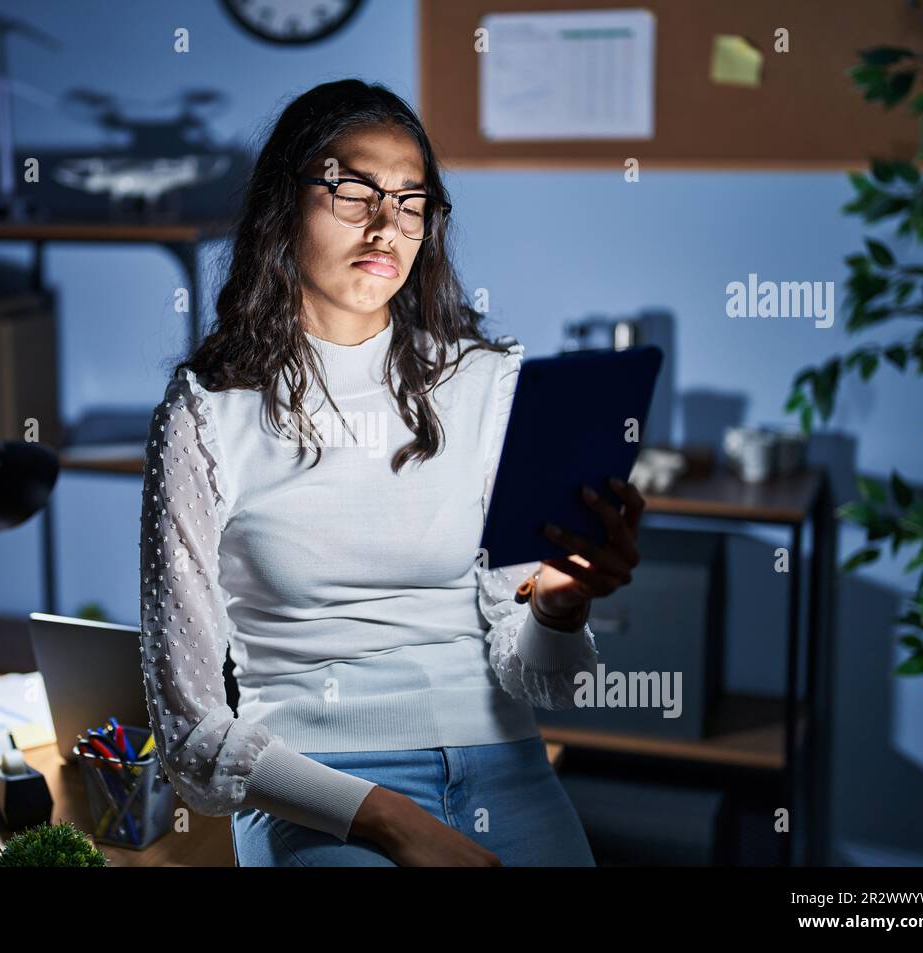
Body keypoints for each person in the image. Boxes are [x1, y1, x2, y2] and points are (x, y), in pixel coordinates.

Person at [138, 79, 645, 866]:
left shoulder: (484, 382)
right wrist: (385, 818)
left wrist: (557, 605)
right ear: (283, 203)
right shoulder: (207, 412)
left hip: (503, 763)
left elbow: (538, 678)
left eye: (413, 202)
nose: (386, 225)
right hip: (314, 786)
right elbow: (191, 733)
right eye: (352, 190)